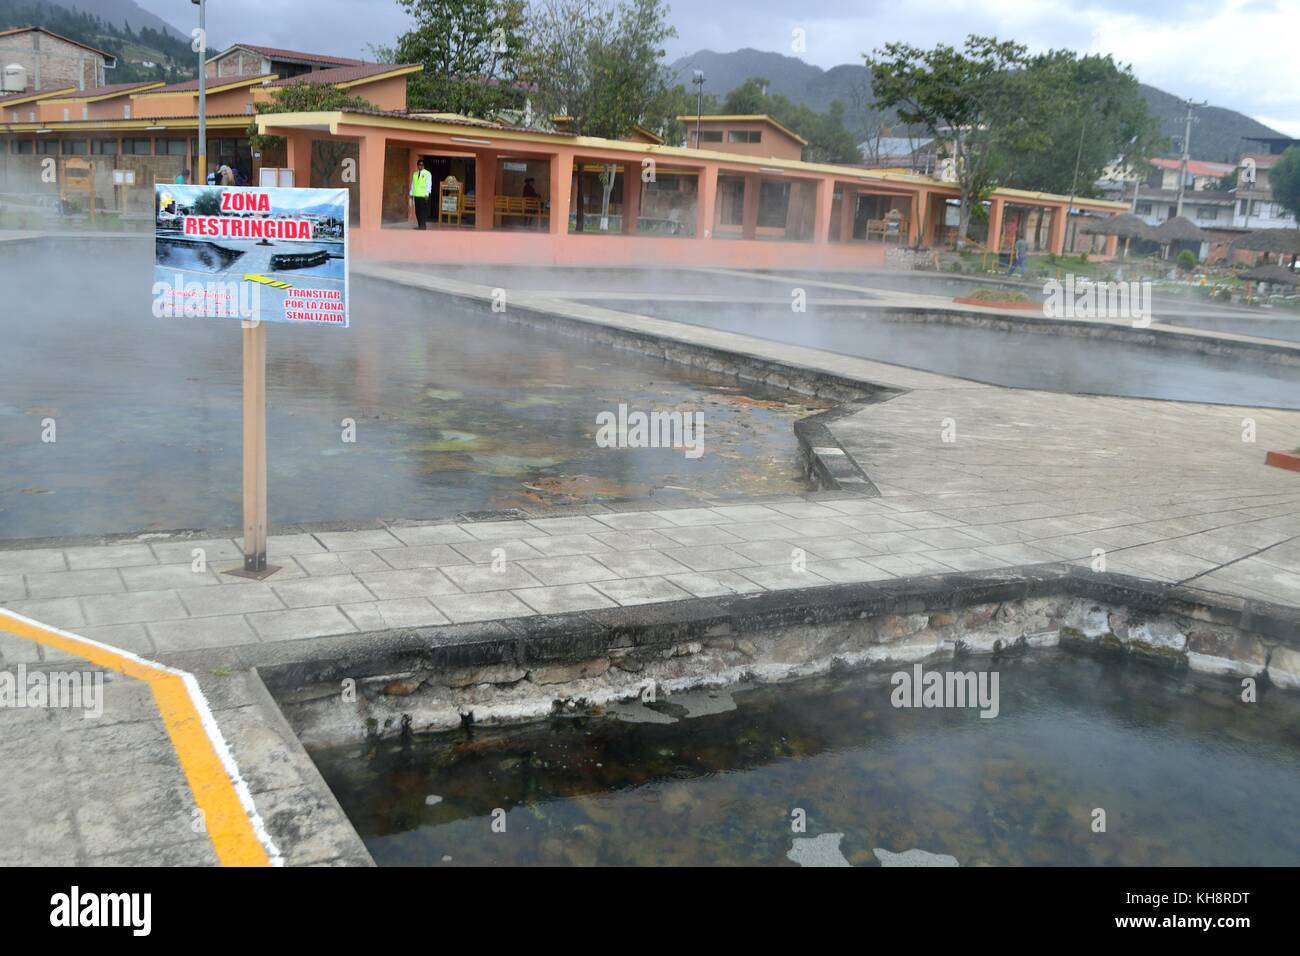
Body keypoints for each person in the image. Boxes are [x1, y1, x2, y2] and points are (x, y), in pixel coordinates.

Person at [409, 158, 432, 230]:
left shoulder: (427, 173)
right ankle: (420, 225)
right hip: (416, 195)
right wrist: (411, 193)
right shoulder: (415, 174)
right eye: (419, 165)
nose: (420, 166)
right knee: (417, 211)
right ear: (417, 165)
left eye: (422, 165)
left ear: (424, 165)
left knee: (423, 211)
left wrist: (427, 193)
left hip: (423, 195)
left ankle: (423, 225)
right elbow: (413, 184)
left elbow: (429, 184)